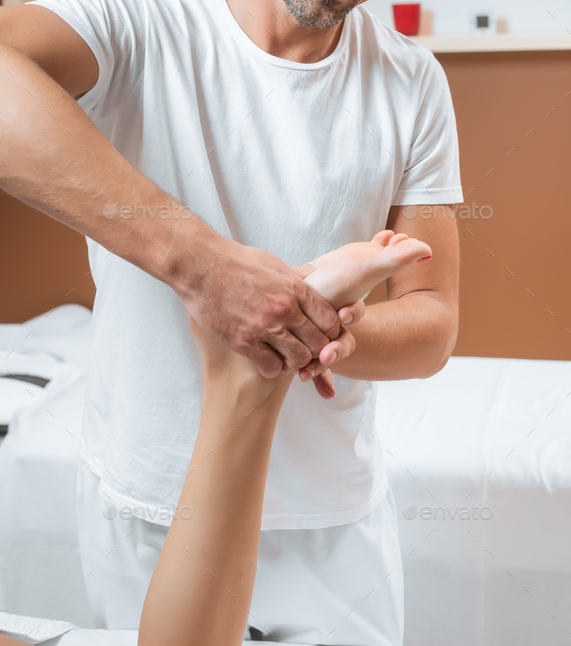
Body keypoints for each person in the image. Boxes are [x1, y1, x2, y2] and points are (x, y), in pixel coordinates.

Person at [0, 0, 462, 645]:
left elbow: (436, 323)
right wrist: (202, 263)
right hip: (149, 506)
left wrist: (316, 327)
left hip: (332, 530)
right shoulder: (137, 19)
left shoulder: (411, 81)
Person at [139, 230, 433, 646]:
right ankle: (241, 380)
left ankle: (240, 379)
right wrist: (299, 315)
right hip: (148, 487)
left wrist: (297, 326)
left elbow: (434, 319)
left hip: (332, 508)